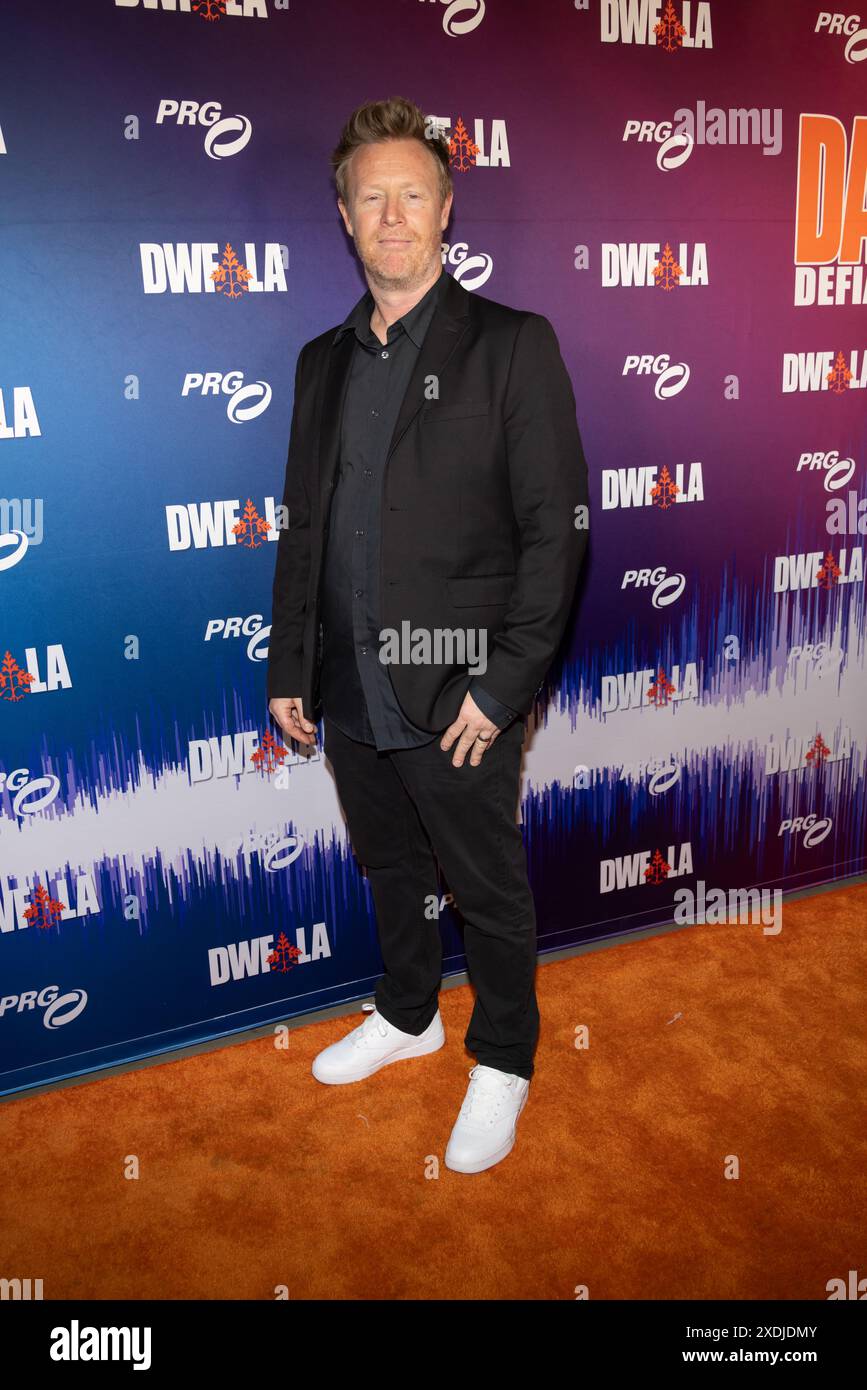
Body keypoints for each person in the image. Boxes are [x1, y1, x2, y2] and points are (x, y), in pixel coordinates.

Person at [267, 95, 589, 1173]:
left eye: (413, 193)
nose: (393, 214)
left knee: (485, 880)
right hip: (351, 685)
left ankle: (503, 1055)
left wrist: (501, 688)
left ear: (446, 210)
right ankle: (407, 1013)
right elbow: (306, 524)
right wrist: (290, 662)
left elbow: (557, 535)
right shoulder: (321, 362)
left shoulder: (511, 347)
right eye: (372, 197)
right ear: (346, 218)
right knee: (390, 868)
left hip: (459, 693)